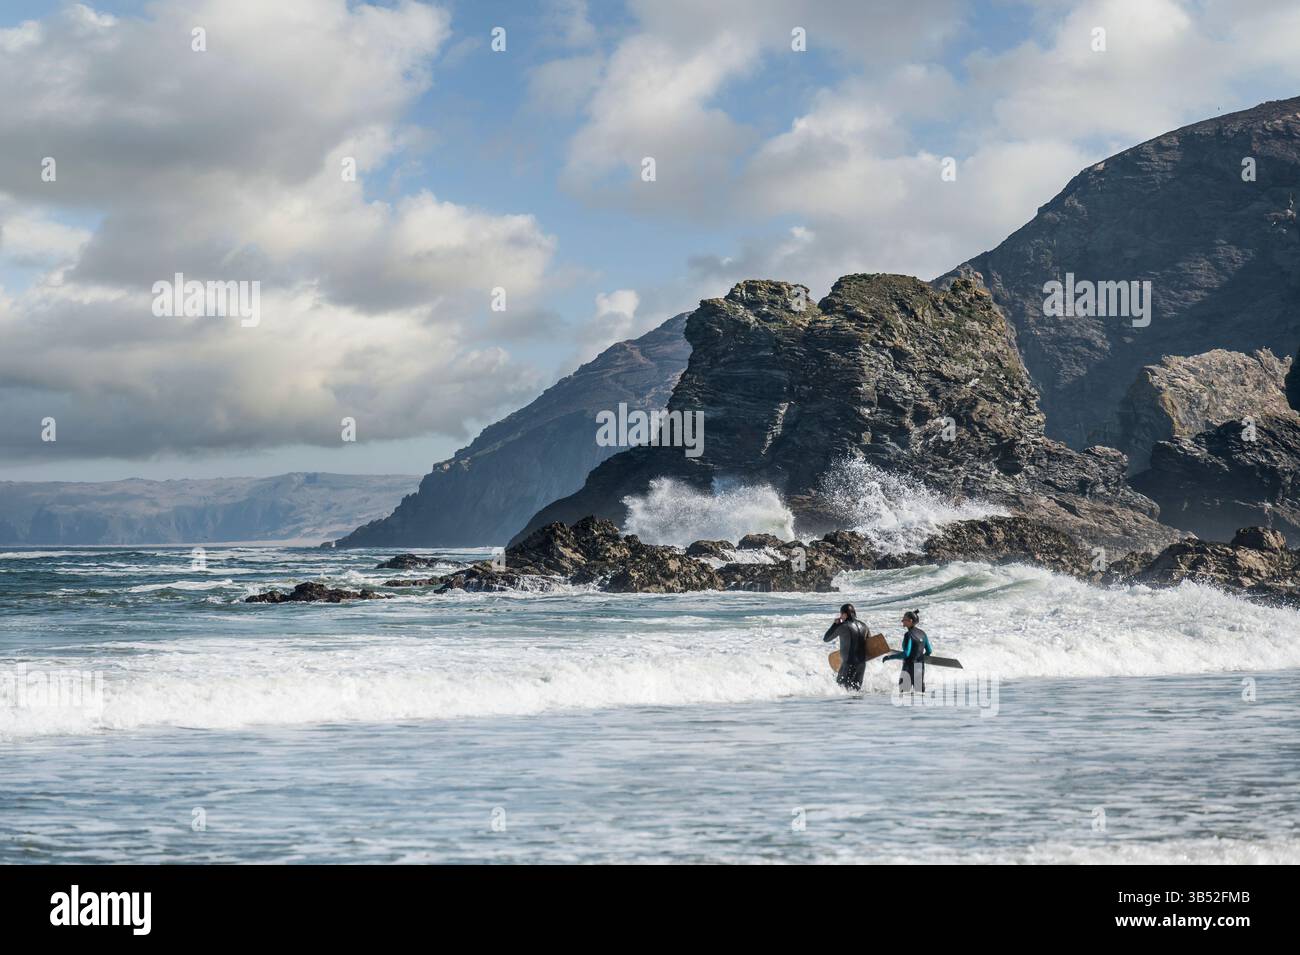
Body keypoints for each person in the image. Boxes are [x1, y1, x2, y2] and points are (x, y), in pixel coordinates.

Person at [823, 602, 868, 691]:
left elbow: (826, 638)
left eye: (841, 614)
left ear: (844, 614)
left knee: (842, 691)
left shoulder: (843, 626)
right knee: (856, 693)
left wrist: (835, 624)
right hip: (862, 665)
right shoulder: (864, 626)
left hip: (849, 664)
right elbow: (870, 643)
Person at [897, 609, 932, 693]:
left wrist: (889, 657)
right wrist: (920, 657)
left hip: (908, 667)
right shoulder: (923, 633)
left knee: (903, 696)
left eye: (904, 619)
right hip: (919, 666)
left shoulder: (908, 634)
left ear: (910, 621)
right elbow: (929, 651)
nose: (902, 621)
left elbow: (906, 653)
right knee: (920, 696)